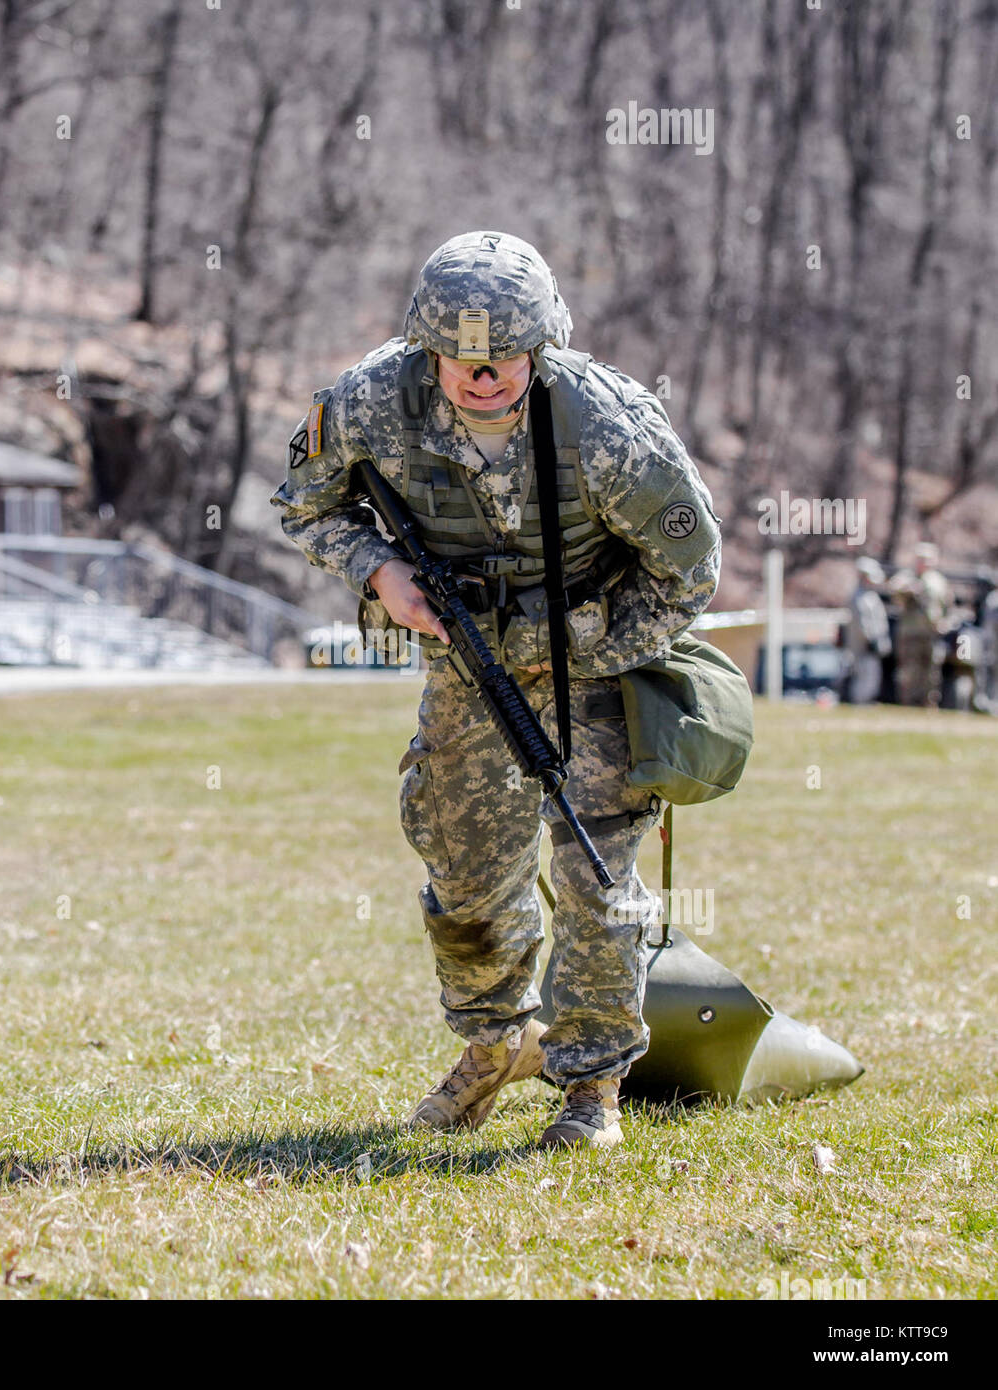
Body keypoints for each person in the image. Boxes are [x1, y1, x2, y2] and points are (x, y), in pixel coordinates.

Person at [271, 231, 720, 1149]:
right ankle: (493, 1046)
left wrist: (584, 644)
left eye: (504, 357)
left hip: (589, 660)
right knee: (463, 865)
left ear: (542, 343)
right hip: (462, 661)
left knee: (595, 873)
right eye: (463, 359)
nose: (482, 377)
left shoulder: (606, 429)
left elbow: (688, 570)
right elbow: (304, 503)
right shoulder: (368, 403)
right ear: (424, 346)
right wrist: (378, 573)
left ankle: (592, 1087)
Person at [891, 542, 951, 707]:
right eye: (922, 559)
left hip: (932, 632)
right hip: (911, 633)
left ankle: (929, 702)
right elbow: (895, 593)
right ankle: (909, 702)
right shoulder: (907, 577)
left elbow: (947, 606)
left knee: (932, 670)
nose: (925, 563)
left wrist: (945, 622)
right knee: (911, 670)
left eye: (929, 559)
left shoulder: (939, 582)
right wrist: (909, 589)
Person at [844, 557, 891, 705]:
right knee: (864, 677)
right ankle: (860, 703)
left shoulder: (870, 596)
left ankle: (867, 701)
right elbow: (862, 624)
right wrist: (870, 640)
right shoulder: (858, 597)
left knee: (872, 676)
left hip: (873, 646)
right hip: (864, 647)